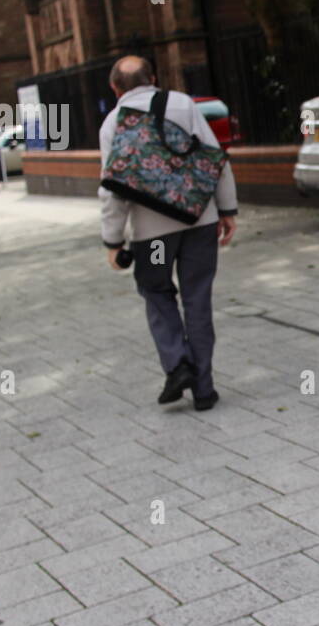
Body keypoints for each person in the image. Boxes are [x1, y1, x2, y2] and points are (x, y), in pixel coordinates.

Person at [99, 55, 238, 411]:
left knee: (157, 292)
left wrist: (113, 240)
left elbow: (112, 188)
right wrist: (227, 209)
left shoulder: (114, 122)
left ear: (115, 88)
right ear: (154, 78)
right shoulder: (183, 104)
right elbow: (214, 157)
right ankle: (204, 389)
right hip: (199, 223)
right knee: (197, 298)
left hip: (154, 236)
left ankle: (177, 365)